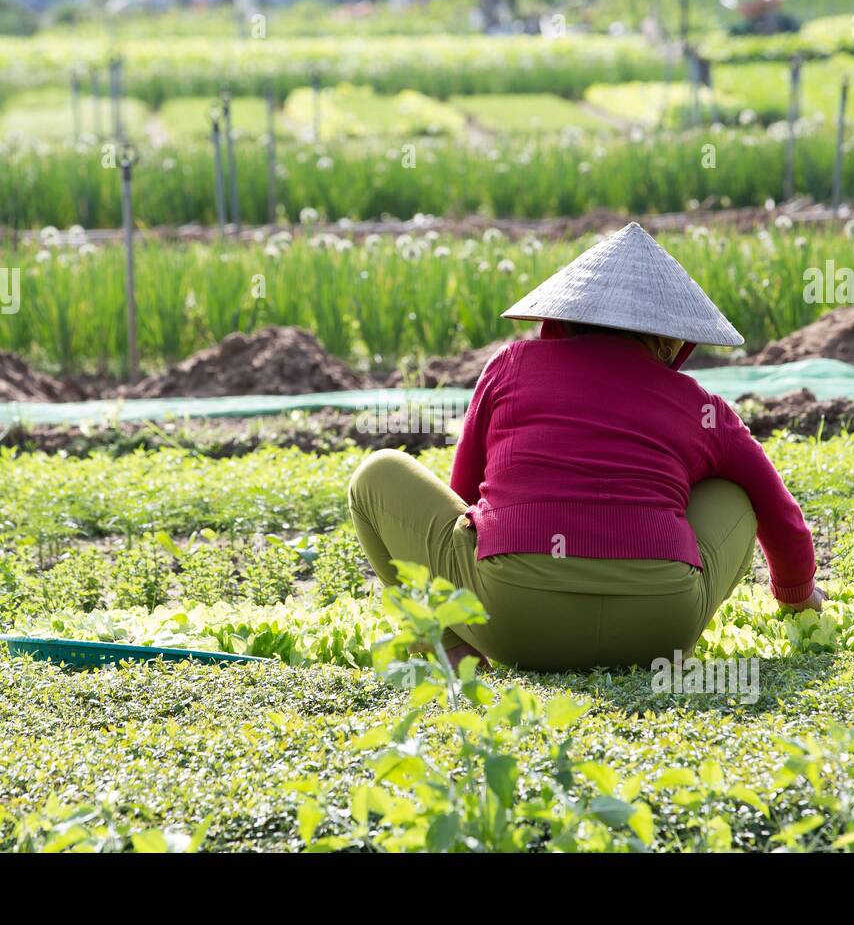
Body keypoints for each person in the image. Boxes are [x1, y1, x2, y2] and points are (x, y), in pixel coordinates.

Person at [348, 222, 823, 672]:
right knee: (735, 492)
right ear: (670, 339)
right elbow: (779, 512)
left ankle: (453, 651)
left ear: (561, 317)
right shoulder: (701, 407)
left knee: (376, 473)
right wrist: (800, 599)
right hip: (658, 628)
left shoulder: (510, 365)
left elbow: (466, 495)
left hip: (512, 620)